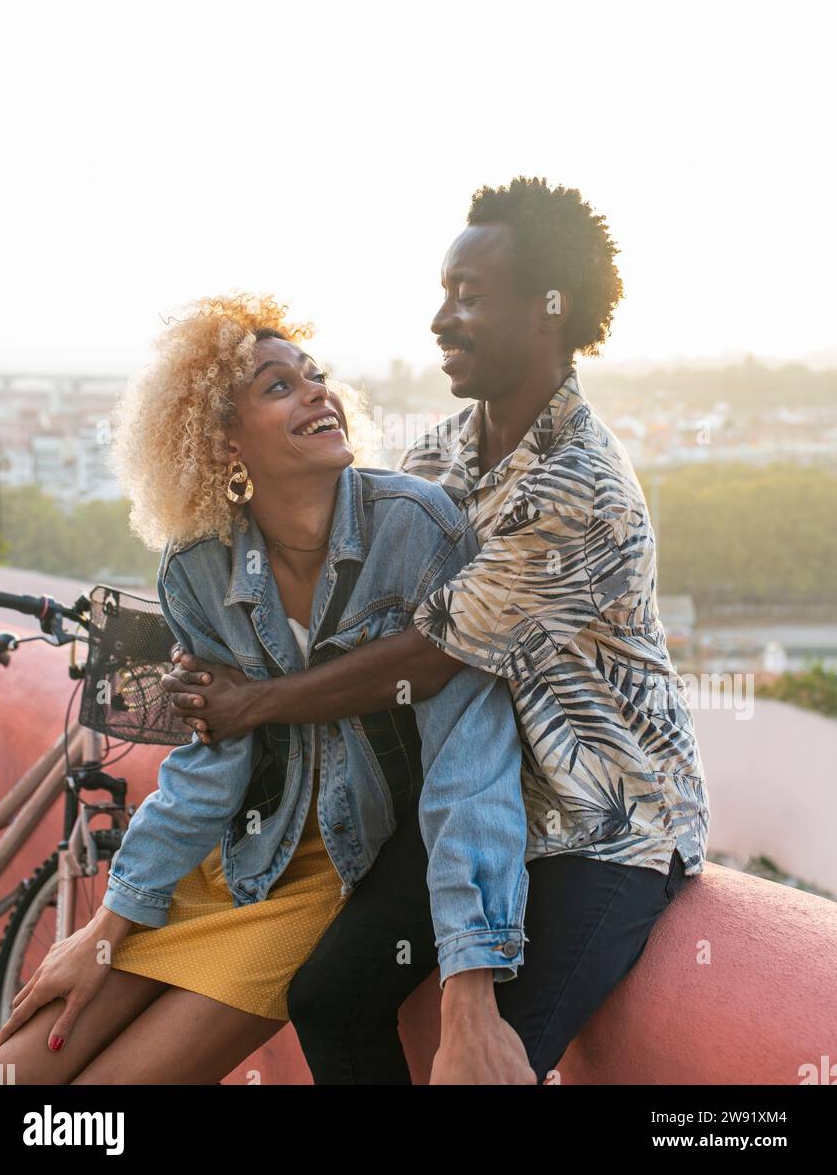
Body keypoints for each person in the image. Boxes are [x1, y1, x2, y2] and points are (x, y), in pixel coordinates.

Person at [165, 180, 711, 1085]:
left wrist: (252, 703)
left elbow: (428, 654)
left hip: (604, 827)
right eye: (443, 292)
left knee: (481, 1072)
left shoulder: (580, 483)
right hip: (477, 805)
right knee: (328, 999)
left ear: (549, 309)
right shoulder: (442, 455)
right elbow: (339, 575)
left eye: (468, 295)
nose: (441, 319)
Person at [0, 292, 533, 1086]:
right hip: (236, 856)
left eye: (315, 375)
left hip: (336, 874)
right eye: (279, 386)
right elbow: (211, 761)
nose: (317, 391)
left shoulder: (417, 528)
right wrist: (102, 931)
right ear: (222, 442)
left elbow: (470, 753)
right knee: (12, 1074)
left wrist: (471, 977)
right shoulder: (196, 568)